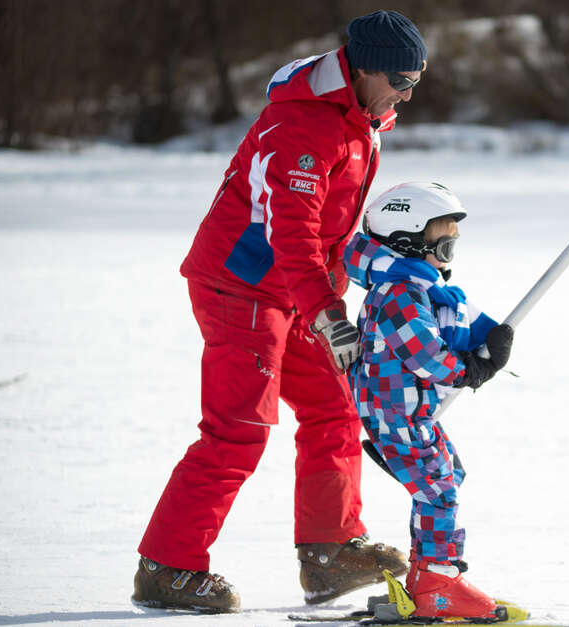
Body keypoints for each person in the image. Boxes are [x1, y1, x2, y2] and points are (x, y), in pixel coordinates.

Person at [132, 10, 429, 613]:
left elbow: (334, 229)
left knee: (336, 405)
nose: (407, 92)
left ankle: (331, 551)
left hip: (293, 291)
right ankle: (167, 568)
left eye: (417, 80)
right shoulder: (304, 125)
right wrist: (328, 314)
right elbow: (290, 233)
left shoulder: (358, 119)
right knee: (239, 428)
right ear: (364, 66)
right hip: (240, 286)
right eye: (401, 79)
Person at [343, 182, 514, 620]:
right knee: (438, 487)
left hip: (407, 409)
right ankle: (439, 583)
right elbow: (424, 354)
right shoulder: (398, 294)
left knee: (447, 475)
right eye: (443, 242)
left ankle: (425, 574)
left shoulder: (416, 287)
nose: (449, 252)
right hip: (394, 409)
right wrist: (467, 370)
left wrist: (489, 343)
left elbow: (454, 323)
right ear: (408, 240)